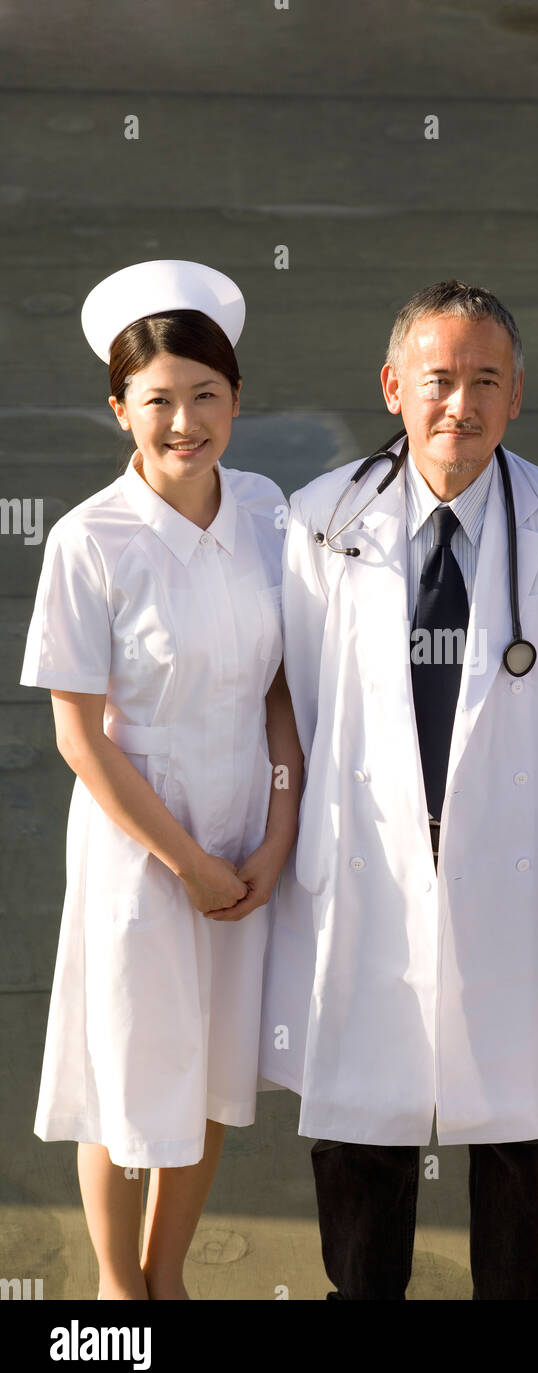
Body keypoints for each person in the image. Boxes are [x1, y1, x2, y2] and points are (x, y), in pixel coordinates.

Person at [259, 279, 538, 1300]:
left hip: (510, 874)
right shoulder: (319, 519)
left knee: (514, 1155)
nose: (457, 403)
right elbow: (313, 705)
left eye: (483, 381)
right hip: (368, 869)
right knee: (361, 1150)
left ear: (516, 397)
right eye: (436, 380)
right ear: (391, 388)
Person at [20, 260, 302, 1301]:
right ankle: (117, 1290)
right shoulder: (89, 540)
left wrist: (274, 836)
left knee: (213, 1073)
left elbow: (282, 691)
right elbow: (82, 739)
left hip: (244, 830)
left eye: (206, 396)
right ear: (119, 410)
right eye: (158, 401)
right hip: (139, 844)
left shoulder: (270, 512)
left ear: (234, 400)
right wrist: (184, 861)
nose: (184, 422)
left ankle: (169, 1275)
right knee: (125, 1072)